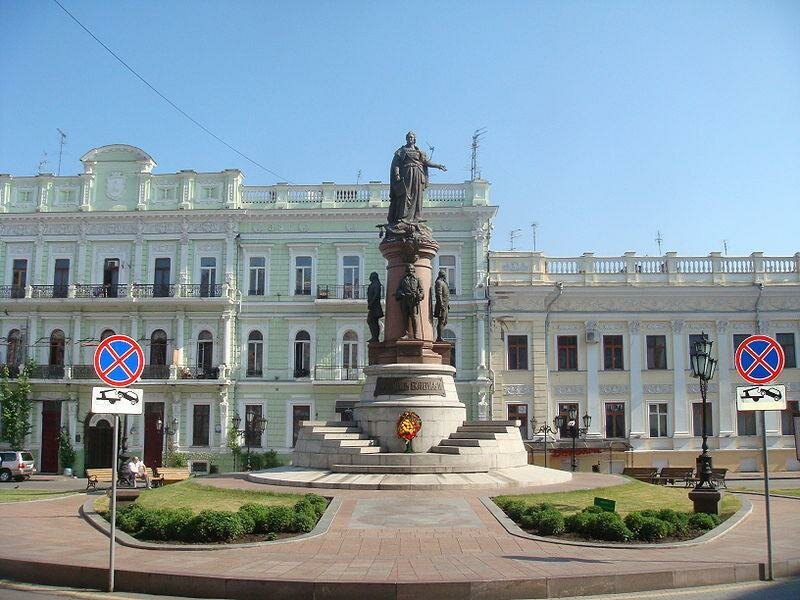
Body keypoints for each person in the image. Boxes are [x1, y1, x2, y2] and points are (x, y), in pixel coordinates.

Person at [387, 131, 447, 225]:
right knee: (406, 194)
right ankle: (403, 217)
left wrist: (438, 165)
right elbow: (396, 164)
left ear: (415, 139)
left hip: (418, 175)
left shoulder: (419, 152)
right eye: (408, 137)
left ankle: (416, 217)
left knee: (417, 195)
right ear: (406, 139)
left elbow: (426, 162)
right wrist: (397, 175)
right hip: (406, 174)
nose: (410, 139)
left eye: (412, 137)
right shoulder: (401, 151)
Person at [394, 264, 424, 339]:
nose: (410, 270)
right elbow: (398, 289)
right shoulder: (403, 280)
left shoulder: (417, 279)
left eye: (411, 268)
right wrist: (400, 293)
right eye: (408, 269)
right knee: (405, 317)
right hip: (405, 300)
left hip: (413, 300)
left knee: (414, 316)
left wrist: (419, 296)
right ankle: (406, 334)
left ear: (414, 270)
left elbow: (421, 290)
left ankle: (416, 334)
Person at [366, 271, 384, 342]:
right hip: (373, 305)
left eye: (371, 276)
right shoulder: (374, 284)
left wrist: (371, 303)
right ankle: (374, 337)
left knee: (371, 321)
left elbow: (376, 294)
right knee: (372, 321)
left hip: (375, 306)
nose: (369, 277)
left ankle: (375, 337)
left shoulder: (376, 284)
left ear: (373, 277)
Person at [434, 269, 450, 342]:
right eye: (445, 274)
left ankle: (440, 336)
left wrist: (448, 304)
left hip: (445, 304)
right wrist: (441, 304)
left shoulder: (444, 283)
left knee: (445, 321)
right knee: (441, 321)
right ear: (442, 275)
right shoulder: (439, 282)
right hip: (442, 305)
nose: (446, 275)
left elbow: (446, 295)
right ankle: (439, 337)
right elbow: (438, 294)